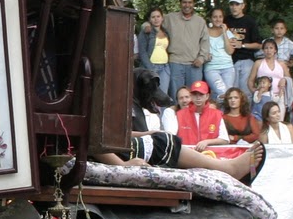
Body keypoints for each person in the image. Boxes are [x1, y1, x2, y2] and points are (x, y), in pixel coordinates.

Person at [91, 71, 263, 180]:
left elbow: (105, 136)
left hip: (121, 147)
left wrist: (146, 133)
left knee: (158, 137)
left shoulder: (215, 114)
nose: (195, 98)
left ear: (207, 96)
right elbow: (90, 140)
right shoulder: (177, 114)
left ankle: (225, 168)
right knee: (163, 142)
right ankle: (228, 169)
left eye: (199, 95)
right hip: (122, 153)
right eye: (193, 94)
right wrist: (122, 166)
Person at [160, 0, 209, 94]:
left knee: (195, 95)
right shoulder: (170, 18)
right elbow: (154, 22)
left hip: (194, 64)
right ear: (180, 3)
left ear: (193, 4)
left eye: (190, 2)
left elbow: (205, 42)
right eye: (184, 2)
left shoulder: (200, 21)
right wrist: (146, 26)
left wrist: (201, 58)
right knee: (176, 95)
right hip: (175, 63)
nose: (187, 5)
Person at [223, 0, 263, 94]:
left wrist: (242, 45)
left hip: (246, 60)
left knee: (246, 92)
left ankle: (246, 110)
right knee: (232, 92)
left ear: (243, 6)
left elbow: (259, 45)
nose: (234, 7)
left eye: (237, 4)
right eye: (232, 4)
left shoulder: (250, 21)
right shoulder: (225, 20)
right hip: (229, 60)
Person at [175, 81, 226, 146]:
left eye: (201, 94)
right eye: (195, 94)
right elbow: (172, 135)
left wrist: (207, 142)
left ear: (207, 96)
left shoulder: (217, 114)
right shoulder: (180, 114)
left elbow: (225, 139)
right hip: (187, 154)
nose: (198, 98)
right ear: (191, 96)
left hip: (210, 154)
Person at [202, 6, 235, 100]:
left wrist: (224, 32)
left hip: (228, 67)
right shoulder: (205, 32)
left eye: (220, 17)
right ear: (211, 18)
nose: (218, 19)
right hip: (212, 68)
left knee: (229, 94)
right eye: (215, 17)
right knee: (222, 92)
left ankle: (221, 113)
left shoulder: (228, 32)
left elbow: (230, 51)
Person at [252, 38, 289, 104]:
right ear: (263, 50)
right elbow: (250, 81)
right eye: (266, 48)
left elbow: (289, 79)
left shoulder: (282, 64)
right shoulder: (258, 63)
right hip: (263, 96)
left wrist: (284, 80)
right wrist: (256, 92)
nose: (269, 50)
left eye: (271, 48)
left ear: (275, 50)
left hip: (279, 96)